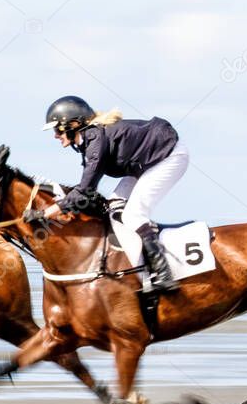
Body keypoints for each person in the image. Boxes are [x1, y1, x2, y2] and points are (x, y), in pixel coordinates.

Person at [35, 95, 189, 293]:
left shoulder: (94, 140)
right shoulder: (89, 139)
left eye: (57, 129)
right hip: (147, 162)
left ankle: (163, 274)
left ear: (73, 124)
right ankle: (139, 264)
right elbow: (86, 188)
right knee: (114, 204)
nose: (55, 135)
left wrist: (47, 213)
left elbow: (84, 191)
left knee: (133, 214)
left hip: (169, 157)